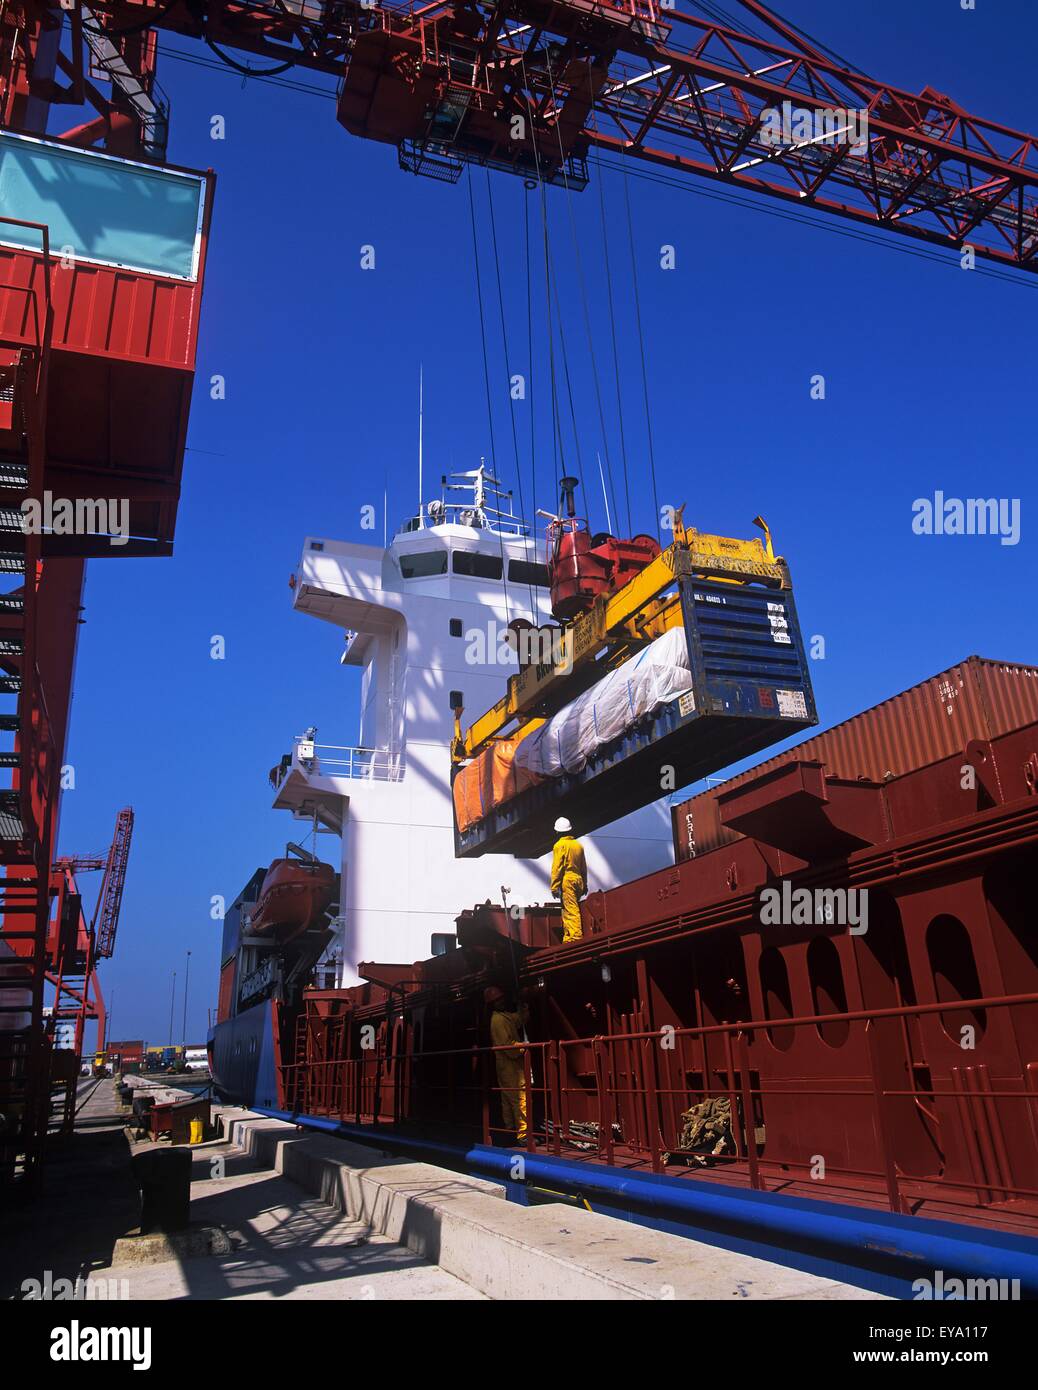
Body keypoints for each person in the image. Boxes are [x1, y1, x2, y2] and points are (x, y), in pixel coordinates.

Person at [485, 986, 528, 1145]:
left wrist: (522, 1006)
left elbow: (518, 1019)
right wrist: (524, 1047)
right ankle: (523, 1135)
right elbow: (506, 1045)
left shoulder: (503, 1017)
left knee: (508, 1099)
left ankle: (510, 1129)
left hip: (507, 1065)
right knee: (519, 1098)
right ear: (492, 1004)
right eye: (497, 1000)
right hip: (509, 1065)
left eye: (501, 998)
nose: (500, 1001)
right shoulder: (497, 1020)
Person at [550, 816, 586, 943]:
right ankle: (568, 936)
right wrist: (585, 884)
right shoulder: (578, 845)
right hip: (578, 879)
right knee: (570, 908)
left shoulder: (559, 845)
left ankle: (574, 938)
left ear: (557, 831)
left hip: (568, 880)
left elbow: (557, 868)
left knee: (570, 910)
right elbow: (583, 867)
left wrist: (554, 886)